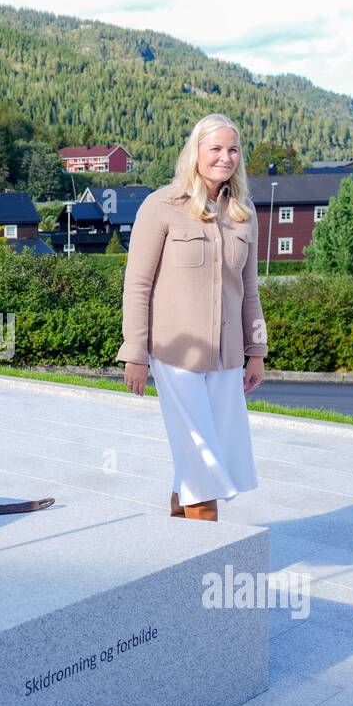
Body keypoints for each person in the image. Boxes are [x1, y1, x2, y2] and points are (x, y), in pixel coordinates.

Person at [117, 113, 267, 522]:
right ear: (196, 152)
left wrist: (257, 351)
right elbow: (138, 285)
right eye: (215, 148)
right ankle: (207, 563)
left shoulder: (244, 212)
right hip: (174, 355)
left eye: (233, 149)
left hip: (227, 357)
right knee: (202, 458)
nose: (225, 157)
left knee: (209, 452)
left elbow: (249, 291)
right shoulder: (161, 205)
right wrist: (135, 353)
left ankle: (176, 539)